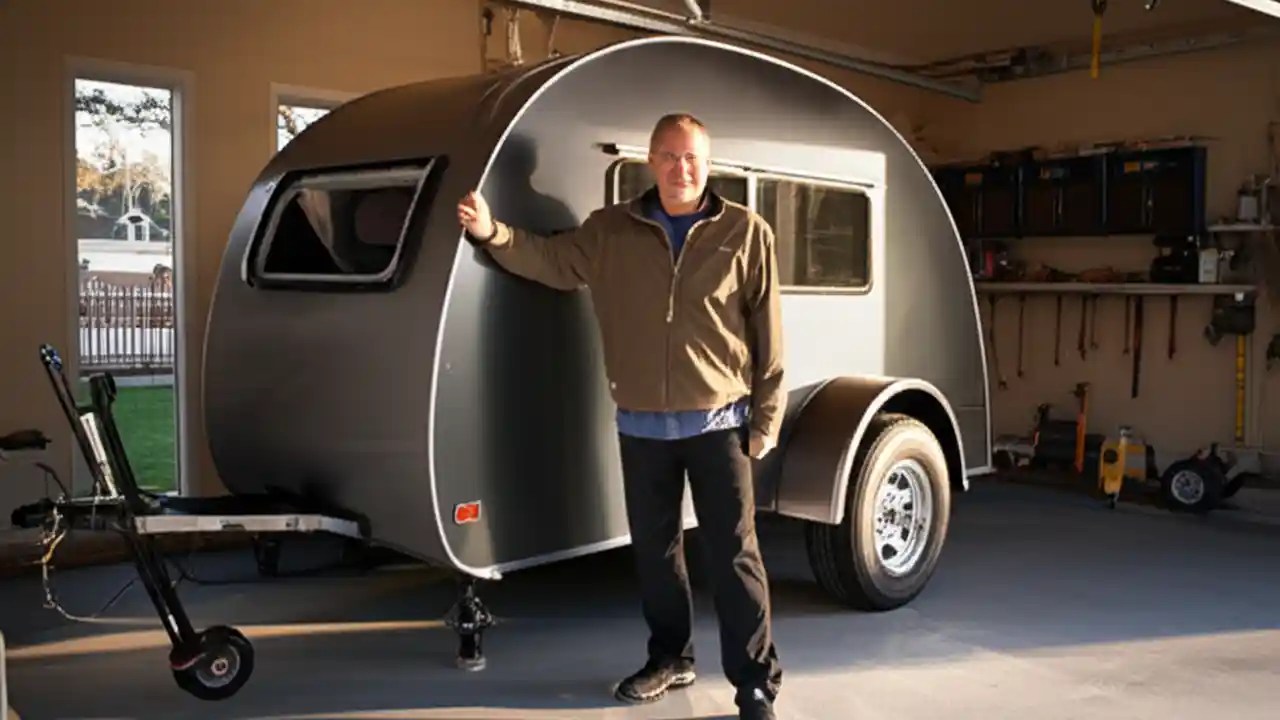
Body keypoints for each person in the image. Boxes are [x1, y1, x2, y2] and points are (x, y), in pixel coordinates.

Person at [457, 113, 784, 720]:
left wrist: (765, 422)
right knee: (655, 554)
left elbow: (769, 338)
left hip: (719, 427)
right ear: (650, 161)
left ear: (707, 163)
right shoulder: (611, 230)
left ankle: (755, 684)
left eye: (691, 157)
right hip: (641, 427)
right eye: (668, 156)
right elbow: (551, 262)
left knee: (734, 555)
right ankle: (670, 658)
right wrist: (491, 233)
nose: (680, 168)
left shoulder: (745, 232)